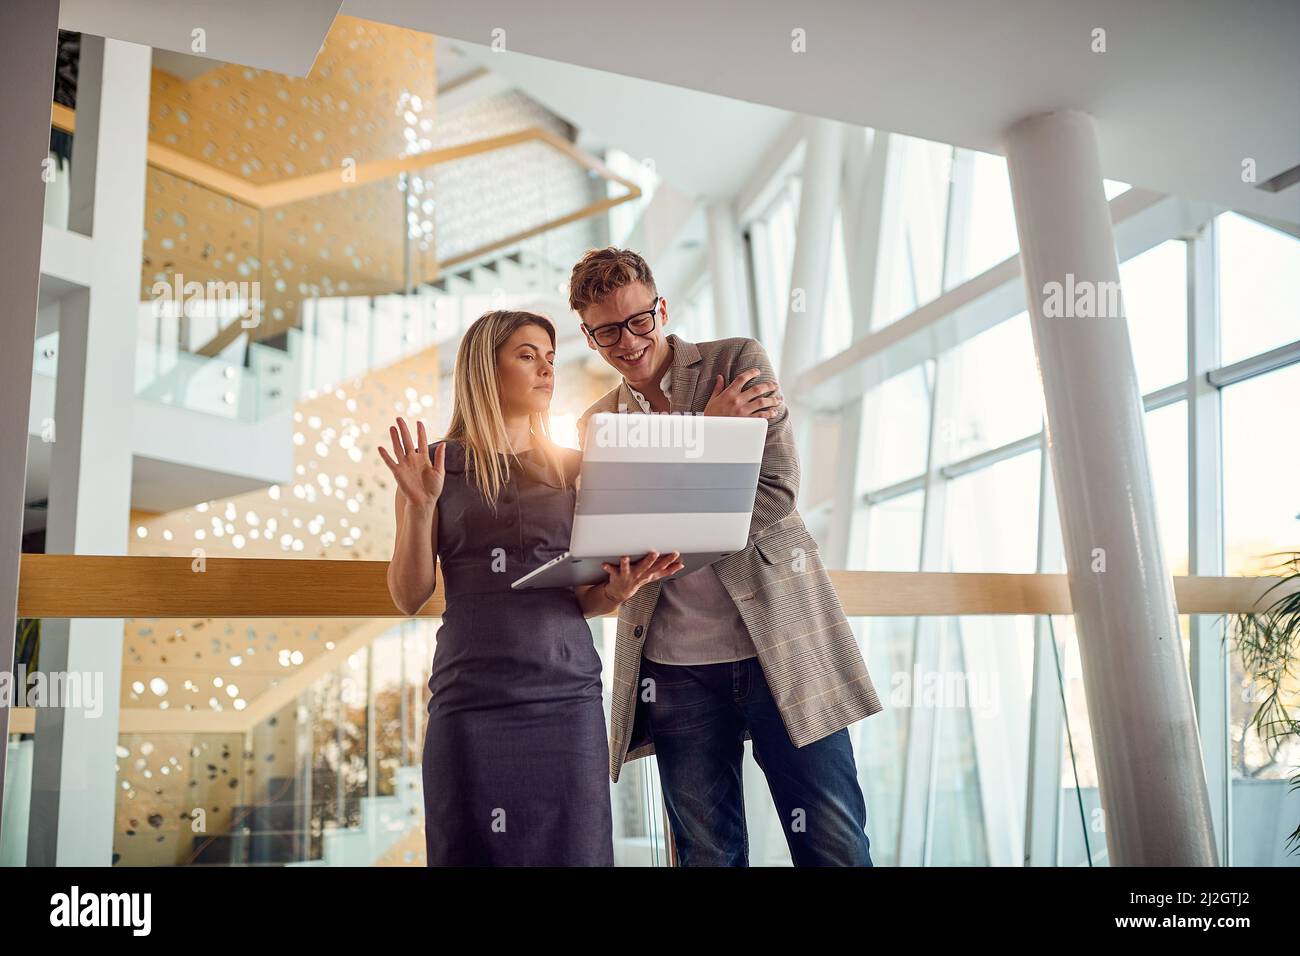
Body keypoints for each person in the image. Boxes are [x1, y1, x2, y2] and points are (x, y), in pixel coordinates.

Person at [571, 247, 884, 867]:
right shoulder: (597, 424)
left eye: (639, 321)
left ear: (660, 309)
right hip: (676, 669)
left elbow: (776, 494)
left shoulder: (735, 362)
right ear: (588, 334)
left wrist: (683, 472)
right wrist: (710, 444)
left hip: (781, 644)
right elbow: (622, 541)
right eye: (607, 330)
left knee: (834, 843)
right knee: (707, 855)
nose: (628, 342)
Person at [381, 309, 682, 866]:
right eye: (527, 355)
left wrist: (617, 592)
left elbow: (584, 598)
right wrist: (420, 510)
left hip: (565, 698)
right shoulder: (433, 469)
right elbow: (409, 595)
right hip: (470, 699)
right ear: (483, 370)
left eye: (549, 356)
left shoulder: (578, 468)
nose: (547, 369)